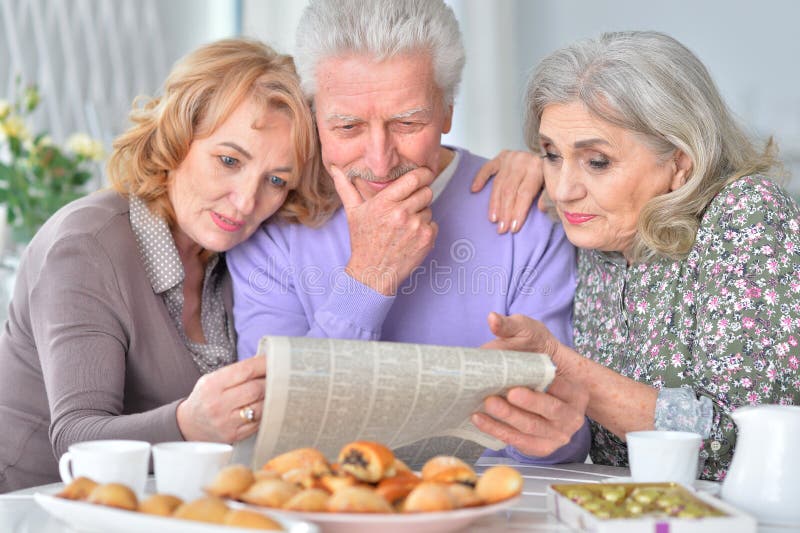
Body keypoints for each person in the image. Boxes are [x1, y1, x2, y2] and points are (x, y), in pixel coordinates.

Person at [228, 0, 589, 464]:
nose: (379, 161)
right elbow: (271, 439)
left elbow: (559, 444)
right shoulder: (274, 220)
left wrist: (552, 430)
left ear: (447, 112)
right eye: (348, 126)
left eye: (407, 123)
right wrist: (367, 279)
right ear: (315, 115)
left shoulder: (528, 213)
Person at [0, 38, 336, 492]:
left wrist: (455, 174)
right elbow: (75, 437)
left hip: (159, 507)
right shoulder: (86, 247)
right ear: (177, 136)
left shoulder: (234, 252)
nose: (246, 201)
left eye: (275, 180)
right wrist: (189, 422)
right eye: (228, 160)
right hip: (35, 505)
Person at [480, 30, 800, 480]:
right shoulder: (598, 232)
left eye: (597, 162)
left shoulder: (747, 212)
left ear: (680, 162)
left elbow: (741, 445)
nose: (564, 190)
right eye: (551, 155)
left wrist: (562, 364)